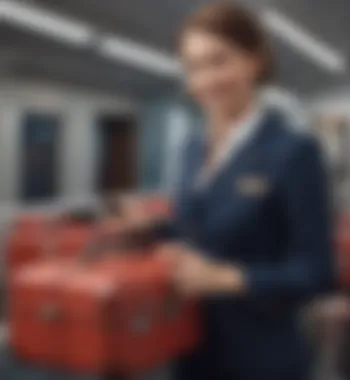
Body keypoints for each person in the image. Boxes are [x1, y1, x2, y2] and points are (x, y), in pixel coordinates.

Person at [113, 3, 334, 380]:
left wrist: (228, 278)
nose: (206, 79)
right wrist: (151, 229)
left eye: (219, 61)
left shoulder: (292, 151)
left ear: (255, 61)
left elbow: (317, 271)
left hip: (262, 358)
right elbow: (196, 230)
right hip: (188, 349)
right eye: (194, 67)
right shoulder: (188, 149)